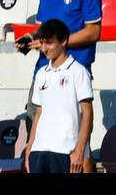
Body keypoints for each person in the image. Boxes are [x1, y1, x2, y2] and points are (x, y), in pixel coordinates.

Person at [24, 19, 94, 174]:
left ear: (63, 41)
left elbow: (87, 113)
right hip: (40, 150)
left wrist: (79, 150)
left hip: (66, 150)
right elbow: (38, 113)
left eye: (48, 43)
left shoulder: (79, 71)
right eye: (42, 43)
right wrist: (30, 147)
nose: (44, 48)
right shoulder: (41, 73)